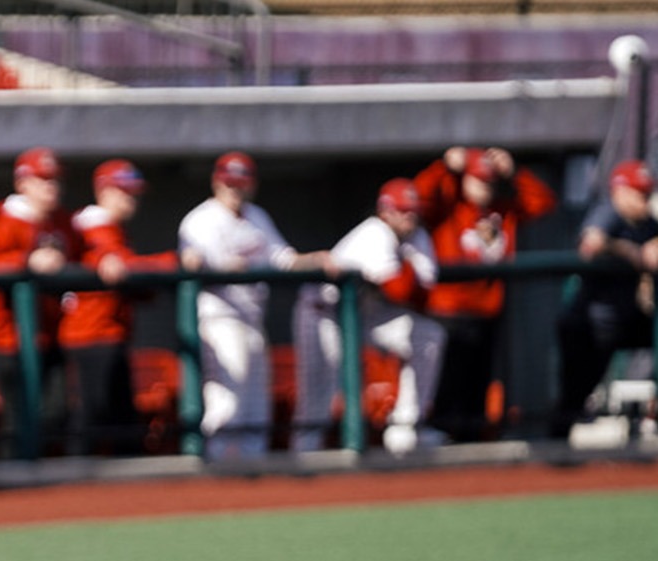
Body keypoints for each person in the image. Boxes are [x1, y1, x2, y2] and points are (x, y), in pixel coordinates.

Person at [177, 151, 330, 460]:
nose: (235, 189)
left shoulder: (256, 217)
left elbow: (283, 259)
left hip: (252, 316)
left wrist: (317, 259)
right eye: (229, 183)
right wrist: (224, 267)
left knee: (256, 401)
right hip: (218, 317)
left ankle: (253, 467)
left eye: (241, 183)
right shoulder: (199, 220)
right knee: (228, 398)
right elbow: (197, 265)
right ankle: (217, 463)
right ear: (216, 182)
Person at [291, 179, 445, 455]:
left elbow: (426, 295)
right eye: (402, 210)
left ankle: (407, 427)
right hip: (323, 313)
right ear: (385, 211)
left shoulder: (417, 236)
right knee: (320, 393)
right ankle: (305, 454)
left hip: (365, 313)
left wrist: (408, 273)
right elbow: (399, 290)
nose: (409, 217)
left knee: (428, 336)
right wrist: (409, 269)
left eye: (413, 211)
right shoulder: (375, 233)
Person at [412, 146, 555, 442]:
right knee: (446, 383)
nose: (484, 187)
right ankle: (439, 437)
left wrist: (515, 172)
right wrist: (444, 167)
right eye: (478, 180)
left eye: (489, 182)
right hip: (448, 313)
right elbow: (418, 198)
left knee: (478, 385)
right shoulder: (449, 207)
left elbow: (543, 202)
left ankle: (471, 442)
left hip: (488, 311)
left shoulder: (502, 212)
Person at [57, 160, 176, 456]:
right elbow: (122, 267)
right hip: (91, 333)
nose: (132, 199)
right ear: (104, 191)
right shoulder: (94, 224)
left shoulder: (110, 227)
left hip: (108, 331)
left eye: (134, 192)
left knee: (120, 417)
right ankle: (73, 476)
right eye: (124, 191)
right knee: (94, 413)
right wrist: (174, 261)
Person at [0, 147, 77, 458]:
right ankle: (12, 479)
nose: (51, 187)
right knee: (19, 419)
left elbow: (89, 251)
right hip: (9, 339)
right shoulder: (7, 222)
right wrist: (27, 261)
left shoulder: (61, 221)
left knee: (55, 412)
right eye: (43, 180)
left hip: (49, 335)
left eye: (55, 180)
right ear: (23, 183)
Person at [553, 159, 657, 438]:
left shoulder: (646, 223)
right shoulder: (608, 211)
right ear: (620, 192)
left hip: (624, 321)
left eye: (647, 192)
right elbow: (591, 244)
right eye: (639, 193)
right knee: (575, 394)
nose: (645, 199)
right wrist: (629, 251)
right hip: (588, 324)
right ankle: (552, 452)